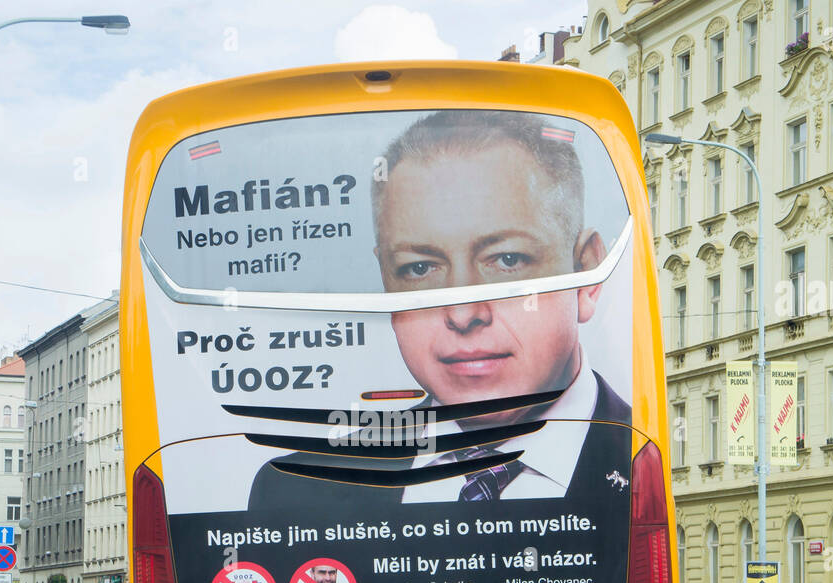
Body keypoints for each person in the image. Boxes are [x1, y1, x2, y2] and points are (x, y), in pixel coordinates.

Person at [248, 110, 630, 509]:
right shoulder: (295, 491)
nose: (463, 315)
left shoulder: (645, 463)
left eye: (507, 260)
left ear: (586, 275)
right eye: (419, 268)